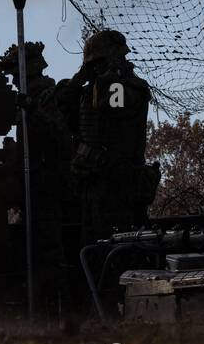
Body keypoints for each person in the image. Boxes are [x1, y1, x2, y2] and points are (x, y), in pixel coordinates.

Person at [0, 40, 75, 311]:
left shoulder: (46, 97)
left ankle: (60, 307)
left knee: (50, 249)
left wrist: (33, 110)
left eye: (16, 74)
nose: (14, 80)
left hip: (47, 183)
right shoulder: (26, 100)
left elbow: (60, 138)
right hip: (31, 181)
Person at [59, 29, 156, 247]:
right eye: (93, 64)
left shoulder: (130, 88)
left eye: (100, 62)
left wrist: (110, 74)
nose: (96, 68)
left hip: (119, 183)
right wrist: (80, 78)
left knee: (121, 247)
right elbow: (61, 107)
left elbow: (111, 105)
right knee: (92, 246)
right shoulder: (88, 90)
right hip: (92, 182)